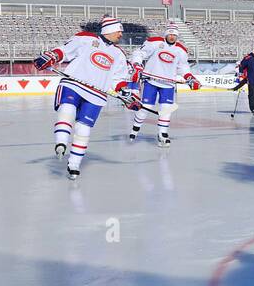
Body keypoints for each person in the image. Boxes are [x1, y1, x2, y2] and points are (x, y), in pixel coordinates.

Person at [34, 15, 138, 180]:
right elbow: (64, 51)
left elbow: (118, 80)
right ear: (109, 30)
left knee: (84, 129)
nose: (120, 34)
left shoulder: (119, 54)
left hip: (96, 95)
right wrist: (50, 57)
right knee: (66, 110)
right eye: (119, 30)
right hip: (73, 84)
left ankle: (74, 164)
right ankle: (61, 142)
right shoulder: (86, 38)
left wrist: (126, 94)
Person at [128, 23, 199, 145]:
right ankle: (135, 128)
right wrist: (137, 65)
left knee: (166, 110)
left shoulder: (181, 50)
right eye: (170, 34)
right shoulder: (155, 42)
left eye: (174, 35)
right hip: (151, 81)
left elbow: (183, 66)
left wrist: (189, 77)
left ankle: (162, 133)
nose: (172, 37)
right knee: (146, 108)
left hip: (168, 84)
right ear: (166, 34)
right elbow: (139, 53)